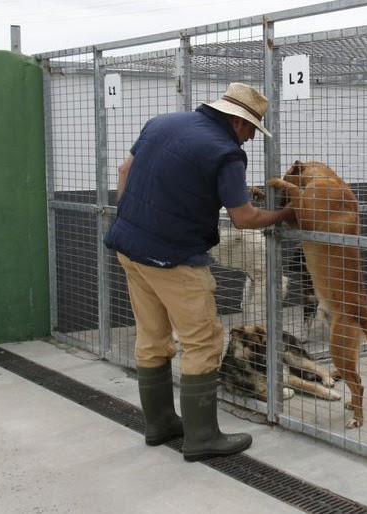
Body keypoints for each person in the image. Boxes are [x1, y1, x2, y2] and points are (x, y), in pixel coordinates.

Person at [104, 83, 294, 462]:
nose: (254, 137)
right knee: (203, 342)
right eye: (254, 128)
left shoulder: (161, 123)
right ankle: (203, 437)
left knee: (153, 337)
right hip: (174, 258)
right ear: (239, 122)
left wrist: (136, 218)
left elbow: (125, 170)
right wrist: (287, 214)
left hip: (128, 247)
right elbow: (244, 218)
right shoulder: (226, 152)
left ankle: (160, 425)